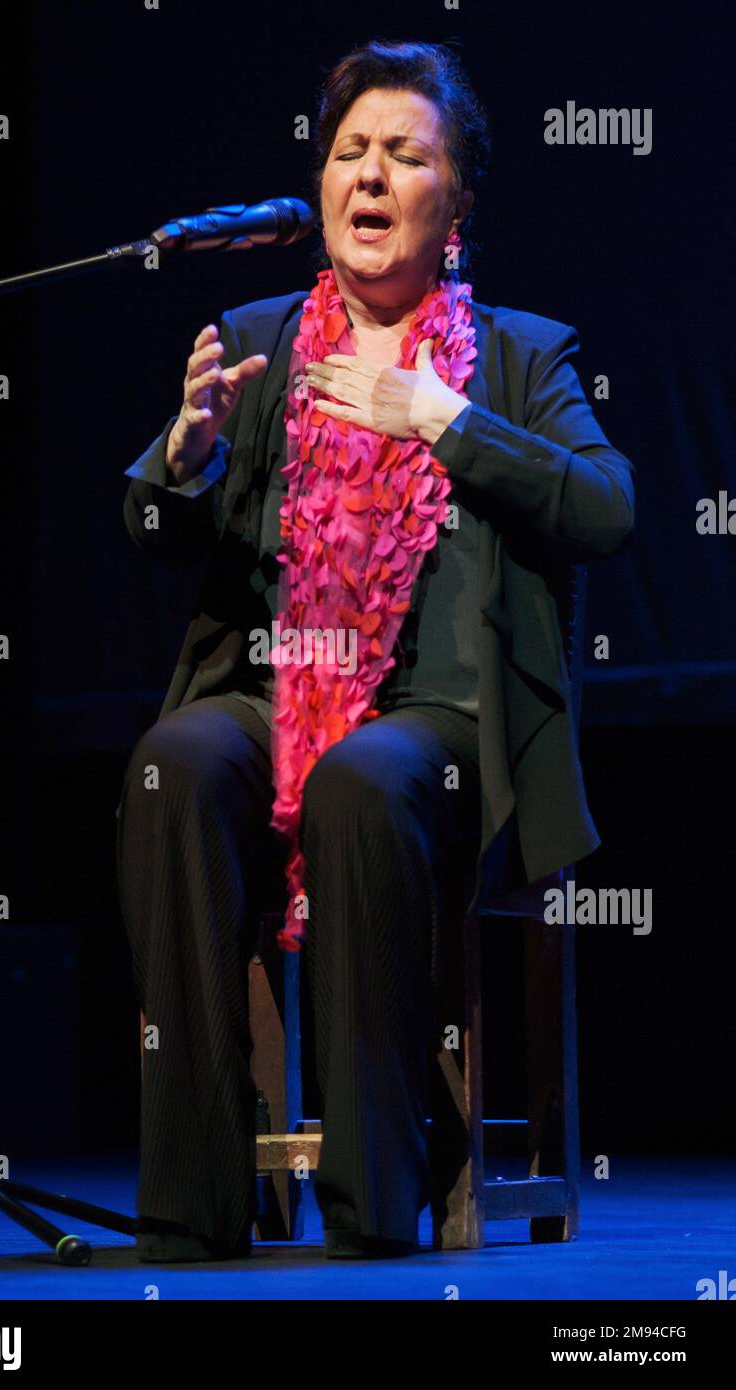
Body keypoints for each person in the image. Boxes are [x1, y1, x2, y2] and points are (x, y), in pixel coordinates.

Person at [115, 39, 635, 1263]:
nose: (368, 174)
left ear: (453, 203)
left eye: (404, 155)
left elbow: (605, 507)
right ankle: (190, 1204)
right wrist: (178, 461)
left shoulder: (515, 357)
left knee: (365, 778)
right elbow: (146, 529)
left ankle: (373, 1195)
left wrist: (447, 423)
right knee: (176, 761)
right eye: (349, 151)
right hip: (274, 696)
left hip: (444, 725)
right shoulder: (256, 341)